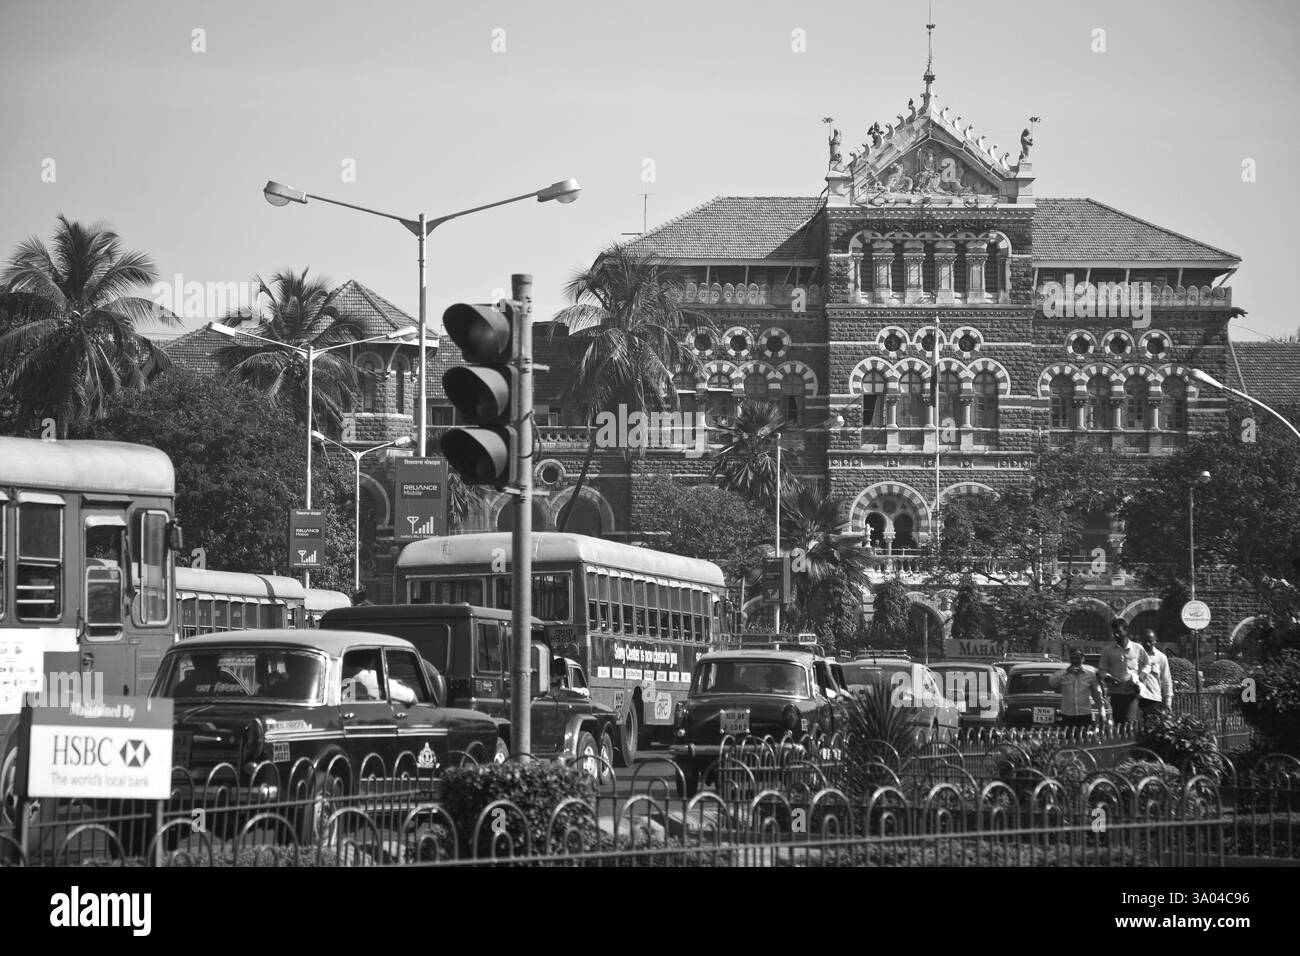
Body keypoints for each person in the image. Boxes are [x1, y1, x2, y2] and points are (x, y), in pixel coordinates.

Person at [1097, 618, 1149, 725]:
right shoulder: (1108, 650)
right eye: (1114, 632)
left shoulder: (1137, 648)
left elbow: (1147, 665)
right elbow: (1101, 670)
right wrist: (1108, 677)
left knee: (1130, 721)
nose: (1116, 635)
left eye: (1119, 632)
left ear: (1126, 631)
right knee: (1119, 722)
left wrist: (1142, 676)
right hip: (1116, 693)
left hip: (1131, 692)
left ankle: (1131, 740)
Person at [1049, 648, 1106, 728]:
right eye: (1072, 658)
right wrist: (1066, 672)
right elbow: (1052, 683)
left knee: (1083, 738)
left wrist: (1102, 711)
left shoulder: (1089, 675)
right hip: (1068, 714)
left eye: (1077, 658)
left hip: (1084, 714)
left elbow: (1097, 694)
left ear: (1082, 659)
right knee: (1069, 737)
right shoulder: (1063, 674)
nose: (1075, 661)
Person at [1137, 628, 1173, 715]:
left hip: (1153, 699)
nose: (1147, 644)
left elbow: (1166, 680)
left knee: (1151, 726)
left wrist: (1168, 701)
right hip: (1135, 698)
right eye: (1144, 641)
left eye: (1150, 641)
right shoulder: (1134, 655)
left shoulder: (1161, 657)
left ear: (1155, 641)